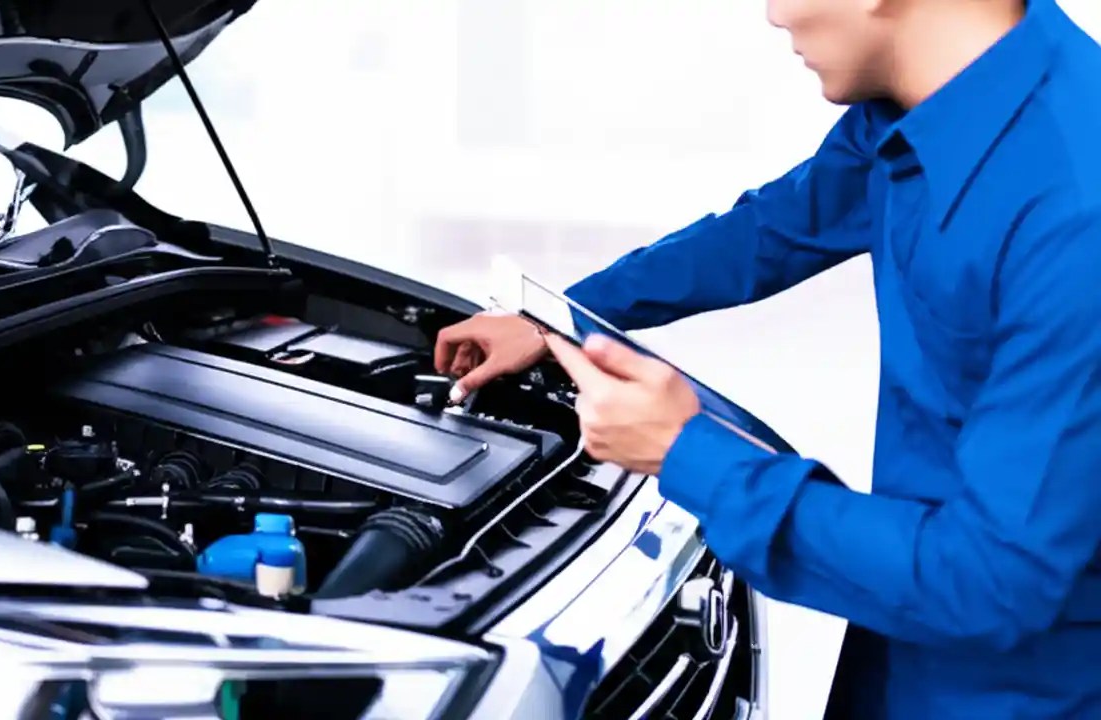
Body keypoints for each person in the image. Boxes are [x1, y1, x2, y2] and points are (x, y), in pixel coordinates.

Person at [432, 0, 1101, 717]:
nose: (775, 13)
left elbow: (993, 580)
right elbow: (779, 225)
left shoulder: (1074, 209)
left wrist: (686, 453)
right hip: (898, 639)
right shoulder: (935, 99)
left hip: (1021, 690)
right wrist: (556, 321)